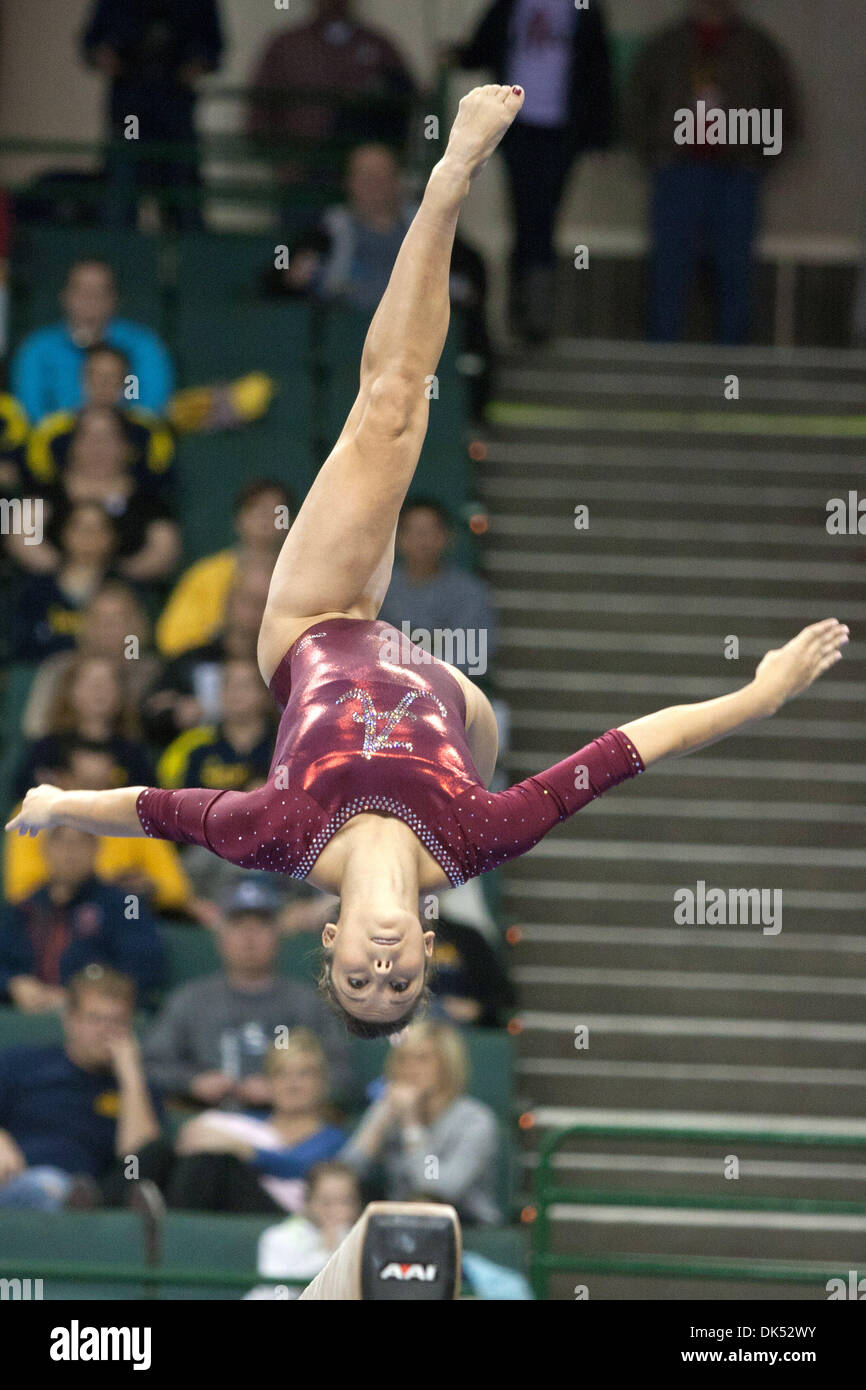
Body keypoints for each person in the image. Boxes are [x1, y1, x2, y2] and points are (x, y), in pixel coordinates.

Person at [8, 87, 850, 1043]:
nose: (380, 969)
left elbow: (152, 809)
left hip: (318, 623)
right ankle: (443, 194)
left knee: (395, 406)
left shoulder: (280, 835)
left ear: (325, 945)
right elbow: (626, 751)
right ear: (423, 944)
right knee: (469, 696)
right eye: (398, 983)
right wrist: (760, 697)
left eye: (359, 982)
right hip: (448, 700)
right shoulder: (474, 839)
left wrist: (54, 804)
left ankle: (446, 183)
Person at [264, 144, 493, 421]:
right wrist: (291, 277)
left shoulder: (433, 230)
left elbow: (473, 280)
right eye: (364, 176)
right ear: (349, 183)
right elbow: (276, 278)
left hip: (415, 360)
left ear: (397, 181)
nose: (372, 185)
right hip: (349, 356)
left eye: (380, 176)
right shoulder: (328, 232)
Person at [624, 0, 799, 345]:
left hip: (735, 175)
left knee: (734, 274)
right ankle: (660, 363)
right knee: (669, 273)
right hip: (678, 173)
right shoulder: (667, 45)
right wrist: (656, 154)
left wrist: (757, 159)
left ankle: (732, 373)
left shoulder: (757, 47)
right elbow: (635, 105)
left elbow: (786, 110)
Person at [447, 0, 615, 342]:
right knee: (525, 216)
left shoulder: (583, 10)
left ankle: (534, 310)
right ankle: (525, 310)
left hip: (562, 130)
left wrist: (600, 136)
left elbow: (598, 70)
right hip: (517, 127)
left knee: (542, 218)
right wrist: (454, 55)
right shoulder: (509, 7)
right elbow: (482, 48)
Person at [142, 879, 353, 1104]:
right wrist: (191, 1082)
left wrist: (284, 1088)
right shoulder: (190, 999)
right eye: (237, 924)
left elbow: (343, 1076)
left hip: (288, 1124)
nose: (249, 936)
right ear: (219, 936)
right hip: (209, 1119)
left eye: (261, 924)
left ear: (278, 934)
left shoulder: (307, 1003)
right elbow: (151, 1065)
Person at [0, 966, 162, 1209]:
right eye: (95, 1019)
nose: (105, 1031)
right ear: (70, 1020)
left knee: (75, 1192)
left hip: (92, 1195)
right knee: (46, 1184)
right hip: (17, 1181)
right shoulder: (23, 1064)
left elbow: (136, 1165)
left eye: (117, 1020)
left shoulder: (137, 1089)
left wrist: (130, 1078)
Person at [247, 0, 416, 209]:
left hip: (363, 183)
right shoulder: (286, 45)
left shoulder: (379, 46)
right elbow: (259, 112)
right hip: (303, 176)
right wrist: (280, 160)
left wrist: (388, 162)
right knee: (305, 237)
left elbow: (404, 103)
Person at [160, 1031, 346, 1213]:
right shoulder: (247, 1123)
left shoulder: (333, 1138)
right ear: (268, 1083)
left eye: (304, 1074)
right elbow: (195, 1134)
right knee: (159, 1151)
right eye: (281, 1074)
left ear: (322, 1083)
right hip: (227, 1206)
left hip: (282, 1218)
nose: (292, 1084)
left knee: (216, 1162)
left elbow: (305, 1170)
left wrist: (242, 1149)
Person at [5, 741, 192, 919]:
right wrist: (97, 888)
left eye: (103, 785)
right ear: (63, 779)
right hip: (53, 919)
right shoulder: (35, 811)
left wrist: (150, 887)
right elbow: (20, 890)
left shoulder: (133, 813)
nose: (94, 796)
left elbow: (176, 890)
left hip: (119, 918)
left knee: (132, 910)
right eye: (86, 784)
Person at [340, 1021, 501, 1226]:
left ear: (447, 1066)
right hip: (399, 1227)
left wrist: (411, 1124)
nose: (409, 1070)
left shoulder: (475, 1121)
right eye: (402, 1060)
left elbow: (434, 1189)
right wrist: (379, 1123)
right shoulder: (388, 1108)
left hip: (465, 1229)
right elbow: (342, 1177)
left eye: (422, 1059)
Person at [81, 0, 224, 230]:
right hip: (131, 107)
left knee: (182, 193)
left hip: (173, 107)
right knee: (122, 189)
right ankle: (116, 254)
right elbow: (93, 44)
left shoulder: (197, 5)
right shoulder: (117, 6)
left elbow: (212, 49)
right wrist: (107, 55)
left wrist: (194, 64)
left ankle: (187, 257)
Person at [0, 828, 166, 1012]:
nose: (69, 852)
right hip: (26, 1018)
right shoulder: (24, 907)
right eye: (60, 842)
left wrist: (79, 995)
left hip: (98, 1018)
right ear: (45, 848)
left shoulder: (128, 902)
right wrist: (13, 984)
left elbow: (143, 965)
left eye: (81, 842)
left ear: (96, 848)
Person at [11, 259, 174, 423]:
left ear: (114, 299)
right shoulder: (38, 348)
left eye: (100, 292)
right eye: (82, 291)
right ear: (65, 296)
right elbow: (30, 410)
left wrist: (112, 437)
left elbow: (151, 408)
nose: (90, 299)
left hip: (128, 444)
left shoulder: (142, 346)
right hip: (56, 443)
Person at [155, 479, 293, 658]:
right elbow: (171, 640)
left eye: (277, 511)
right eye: (256, 509)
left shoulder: (300, 576)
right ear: (238, 519)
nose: (266, 518)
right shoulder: (206, 574)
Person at [28, 343, 176, 498]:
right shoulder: (52, 432)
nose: (103, 383)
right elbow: (39, 482)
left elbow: (161, 484)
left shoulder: (149, 431)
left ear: (127, 383)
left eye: (113, 376)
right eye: (95, 375)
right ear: (82, 379)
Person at [143, 568, 271, 747]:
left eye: (265, 602)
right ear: (229, 602)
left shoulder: (288, 663)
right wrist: (175, 714)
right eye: (248, 601)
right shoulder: (192, 661)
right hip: (201, 761)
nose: (256, 611)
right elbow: (152, 715)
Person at [21, 580, 160, 740]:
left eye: (119, 618)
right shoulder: (61, 666)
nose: (109, 625)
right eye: (100, 618)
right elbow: (35, 726)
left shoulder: (150, 671)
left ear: (135, 625)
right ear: (86, 625)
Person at [378, 497, 498, 681]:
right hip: (386, 684)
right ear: (397, 537)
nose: (422, 540)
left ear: (448, 537)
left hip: (450, 689)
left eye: (431, 532)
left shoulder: (470, 592)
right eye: (413, 532)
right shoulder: (379, 587)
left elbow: (476, 653)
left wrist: (425, 671)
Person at [12, 653, 155, 804]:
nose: (100, 690)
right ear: (70, 691)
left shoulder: (131, 751)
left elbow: (149, 801)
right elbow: (21, 788)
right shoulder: (49, 745)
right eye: (91, 683)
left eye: (109, 683)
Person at [10, 502, 119, 662]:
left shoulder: (124, 589)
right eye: (80, 527)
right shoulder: (35, 590)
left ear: (112, 537)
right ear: (64, 533)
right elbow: (20, 648)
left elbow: (135, 648)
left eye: (98, 528)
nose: (88, 536)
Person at [245, 1160, 362, 1299]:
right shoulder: (278, 1237)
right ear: (308, 1201)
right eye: (326, 1202)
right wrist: (326, 1252)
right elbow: (279, 1293)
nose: (337, 1211)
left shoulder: (364, 1242)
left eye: (345, 1202)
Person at [156, 658, 277, 792]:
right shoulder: (198, 746)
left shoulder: (283, 744)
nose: (235, 692)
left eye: (245, 685)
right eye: (228, 684)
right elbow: (188, 804)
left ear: (265, 693)